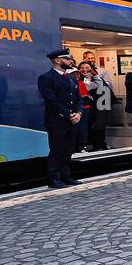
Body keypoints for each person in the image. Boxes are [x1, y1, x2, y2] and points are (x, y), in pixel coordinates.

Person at [37, 49, 82, 189]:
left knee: (68, 149)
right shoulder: (46, 78)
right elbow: (51, 100)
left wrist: (79, 113)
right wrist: (68, 114)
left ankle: (66, 176)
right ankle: (54, 178)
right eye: (67, 58)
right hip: (57, 121)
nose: (71, 61)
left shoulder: (71, 78)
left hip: (72, 120)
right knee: (57, 149)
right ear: (57, 60)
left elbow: (79, 98)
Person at [82, 62, 112, 151]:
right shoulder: (81, 78)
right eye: (82, 68)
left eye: (87, 68)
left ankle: (100, 144)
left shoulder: (98, 76)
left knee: (100, 125)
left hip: (103, 101)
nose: (84, 69)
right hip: (90, 104)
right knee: (90, 124)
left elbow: (104, 85)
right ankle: (93, 144)